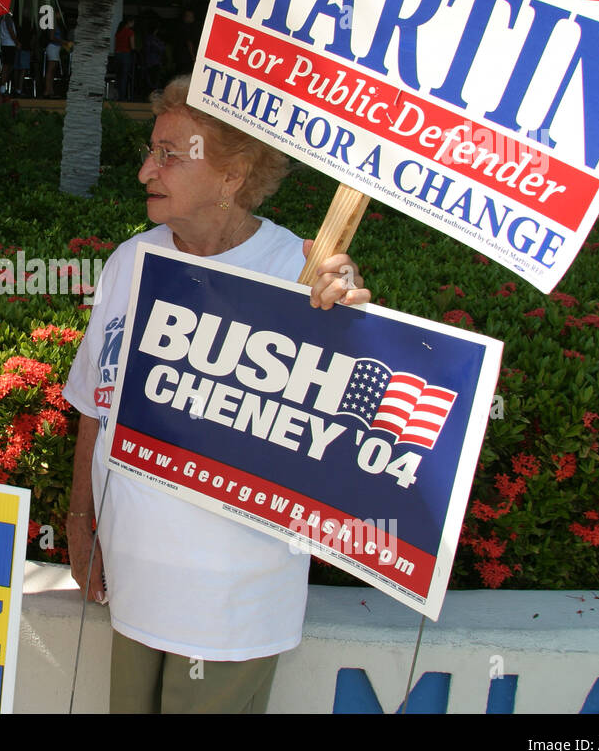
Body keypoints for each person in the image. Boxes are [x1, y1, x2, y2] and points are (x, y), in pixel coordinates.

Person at [62, 75, 371, 714]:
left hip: (235, 597)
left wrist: (344, 319)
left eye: (171, 154)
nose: (147, 167)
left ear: (232, 176)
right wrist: (79, 521)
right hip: (136, 576)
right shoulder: (128, 261)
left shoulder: (298, 272)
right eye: (151, 150)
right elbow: (96, 404)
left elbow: (338, 428)